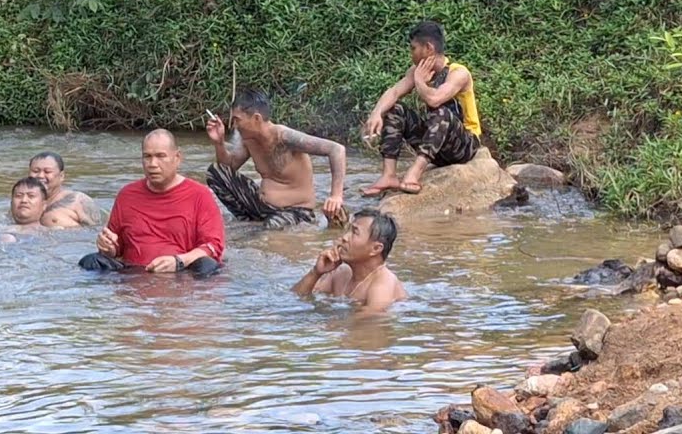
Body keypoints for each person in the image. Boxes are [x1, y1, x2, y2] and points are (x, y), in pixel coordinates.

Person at [359, 20, 482, 197]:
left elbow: (434, 99)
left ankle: (415, 172)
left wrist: (419, 81)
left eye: (413, 48)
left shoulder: (458, 73)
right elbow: (394, 92)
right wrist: (376, 113)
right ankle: (389, 175)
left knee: (441, 112)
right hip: (436, 147)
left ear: (428, 48)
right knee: (396, 110)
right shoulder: (417, 70)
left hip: (463, 146)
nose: (411, 54)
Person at [78, 130, 225, 277]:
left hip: (180, 270)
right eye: (147, 157)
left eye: (160, 156)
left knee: (207, 265)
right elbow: (117, 248)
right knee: (90, 261)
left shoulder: (200, 195)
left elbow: (213, 247)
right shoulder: (127, 195)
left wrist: (179, 261)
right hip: (133, 272)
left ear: (177, 158)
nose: (152, 164)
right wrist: (108, 248)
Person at [206, 88, 348, 229]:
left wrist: (336, 195)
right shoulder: (248, 139)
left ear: (256, 118)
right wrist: (219, 143)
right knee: (216, 172)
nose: (234, 126)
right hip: (261, 206)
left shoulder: (284, 137)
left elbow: (336, 150)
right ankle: (247, 222)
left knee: (272, 227)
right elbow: (228, 167)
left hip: (295, 211)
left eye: (237, 120)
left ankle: (258, 227)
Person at [292, 210, 407, 314]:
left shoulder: (383, 283)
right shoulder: (342, 273)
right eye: (349, 231)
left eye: (355, 233)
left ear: (376, 249)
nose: (344, 238)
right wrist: (316, 272)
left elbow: (370, 322)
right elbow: (296, 298)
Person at [28, 152, 102, 228]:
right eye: (35, 171)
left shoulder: (78, 200)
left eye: (47, 171)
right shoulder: (22, 201)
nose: (40, 176)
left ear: (61, 176)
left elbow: (97, 231)